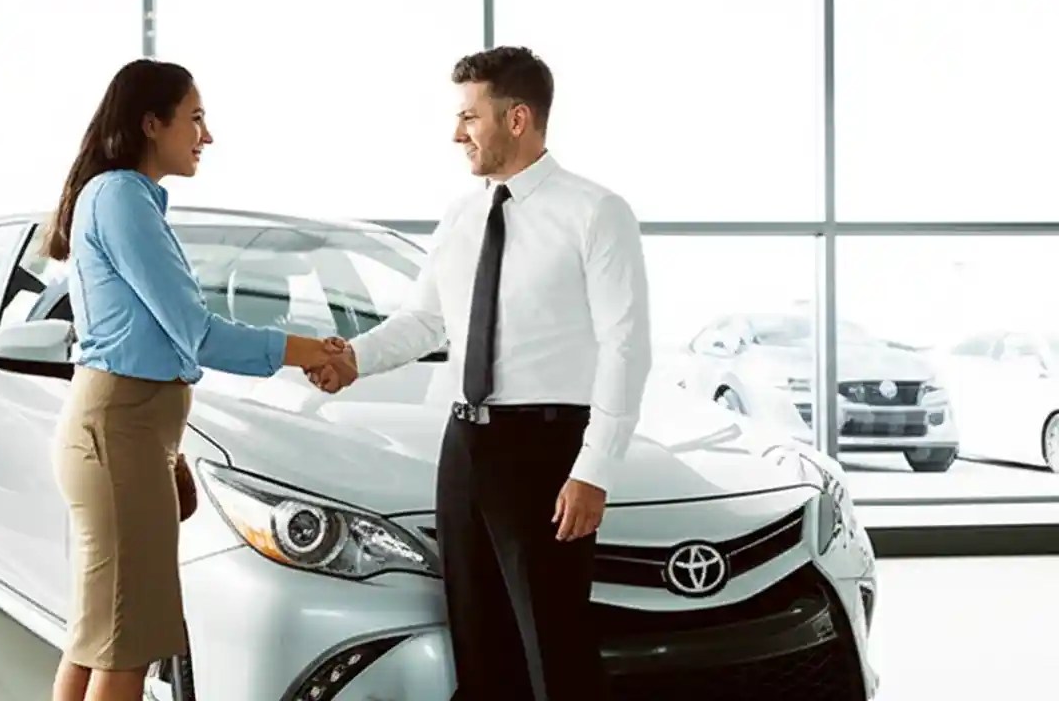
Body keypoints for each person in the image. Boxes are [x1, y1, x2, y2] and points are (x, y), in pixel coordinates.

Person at [310, 46, 651, 700]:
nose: (455, 133)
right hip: (465, 445)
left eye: (470, 117)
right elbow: (425, 321)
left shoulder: (596, 213)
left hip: (548, 448)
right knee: (477, 638)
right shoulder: (463, 216)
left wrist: (594, 471)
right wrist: (354, 360)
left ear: (517, 118)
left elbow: (626, 346)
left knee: (553, 644)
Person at [41, 58, 344, 701]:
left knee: (99, 634)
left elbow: (157, 342)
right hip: (119, 434)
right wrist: (309, 348)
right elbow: (195, 333)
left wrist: (166, 450)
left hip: (127, 432)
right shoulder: (121, 196)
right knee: (126, 643)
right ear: (152, 123)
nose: (206, 136)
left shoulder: (117, 195)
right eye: (196, 118)